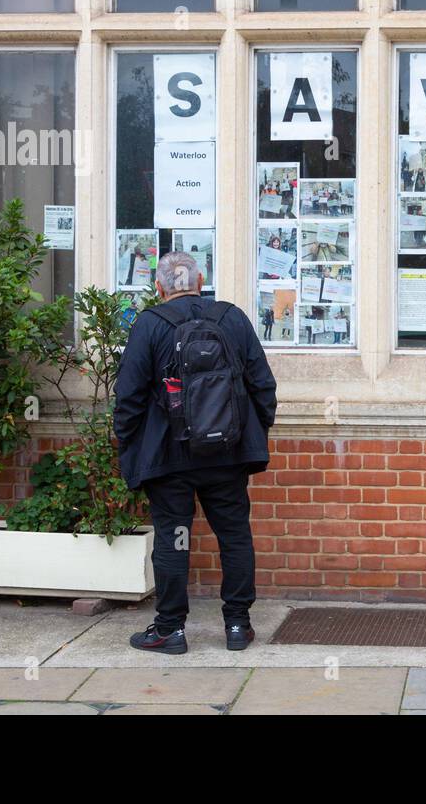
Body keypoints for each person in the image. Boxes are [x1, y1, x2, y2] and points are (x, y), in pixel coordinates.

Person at [114, 252, 277, 655]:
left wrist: (128, 443)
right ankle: (238, 626)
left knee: (174, 539)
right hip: (227, 453)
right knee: (234, 535)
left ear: (159, 287)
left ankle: (170, 630)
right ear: (200, 280)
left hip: (170, 458)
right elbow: (263, 385)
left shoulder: (149, 324)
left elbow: (129, 397)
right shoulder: (232, 319)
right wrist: (249, 432)